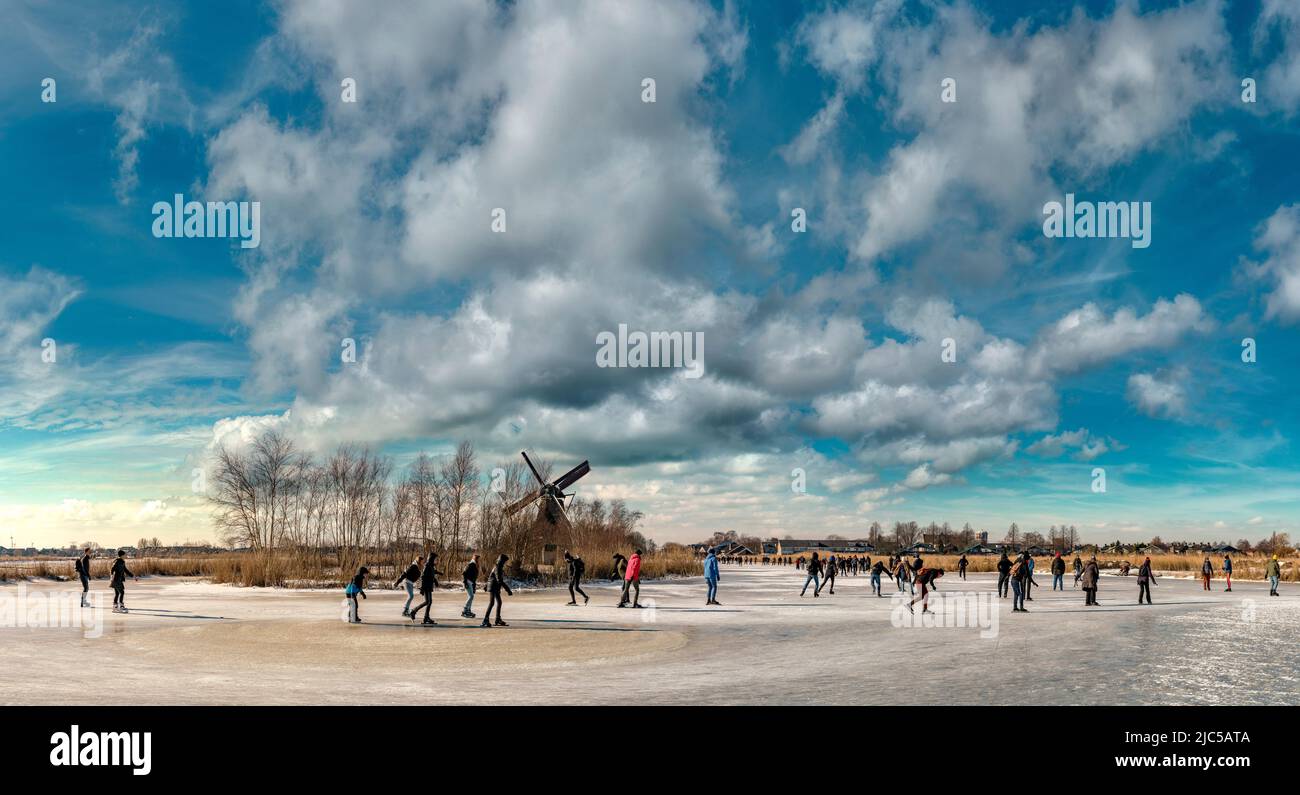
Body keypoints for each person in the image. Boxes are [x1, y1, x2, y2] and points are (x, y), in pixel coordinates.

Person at [408, 552, 441, 625]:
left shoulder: (431, 566)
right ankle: (413, 611)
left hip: (429, 586)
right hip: (425, 586)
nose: (437, 560)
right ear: (432, 559)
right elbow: (423, 577)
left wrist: (435, 580)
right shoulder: (427, 566)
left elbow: (432, 573)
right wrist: (422, 588)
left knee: (430, 602)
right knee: (427, 601)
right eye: (436, 559)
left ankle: (426, 617)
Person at [481, 554, 514, 627]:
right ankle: (485, 620)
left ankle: (498, 619)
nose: (505, 563)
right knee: (492, 603)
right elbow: (499, 580)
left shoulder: (498, 566)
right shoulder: (498, 567)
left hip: (494, 586)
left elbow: (491, 576)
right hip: (493, 586)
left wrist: (486, 586)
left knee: (499, 602)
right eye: (505, 561)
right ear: (501, 561)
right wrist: (508, 590)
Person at [109, 549, 136, 613]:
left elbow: (126, 570)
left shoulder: (122, 562)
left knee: (117, 593)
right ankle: (120, 606)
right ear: (121, 555)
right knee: (122, 592)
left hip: (119, 580)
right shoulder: (117, 561)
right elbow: (112, 569)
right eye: (124, 555)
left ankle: (115, 606)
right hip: (116, 580)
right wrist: (111, 575)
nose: (125, 556)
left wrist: (133, 576)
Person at [461, 554, 480, 618]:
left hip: (471, 582)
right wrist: (465, 582)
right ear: (475, 559)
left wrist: (474, 585)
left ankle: (468, 610)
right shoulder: (471, 564)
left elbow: (474, 576)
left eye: (478, 559)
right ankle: (465, 610)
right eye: (477, 559)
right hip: (468, 582)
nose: (478, 560)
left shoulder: (475, 565)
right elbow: (464, 573)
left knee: (471, 596)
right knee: (471, 596)